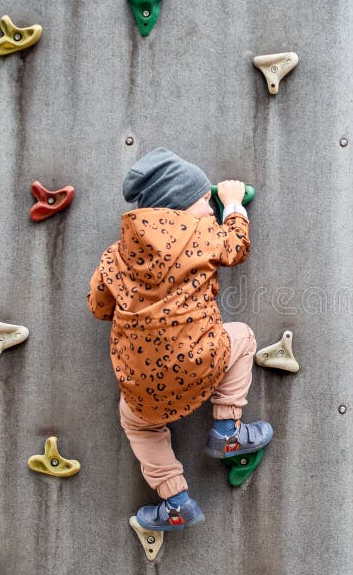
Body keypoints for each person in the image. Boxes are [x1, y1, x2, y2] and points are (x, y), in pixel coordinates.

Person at [87, 147, 272, 531]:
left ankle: (174, 501)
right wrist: (234, 204)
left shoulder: (115, 256)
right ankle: (227, 430)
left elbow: (98, 307)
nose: (209, 208)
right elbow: (237, 246)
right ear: (181, 206)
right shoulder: (203, 233)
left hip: (142, 388)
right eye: (204, 200)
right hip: (201, 362)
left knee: (137, 424)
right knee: (242, 336)